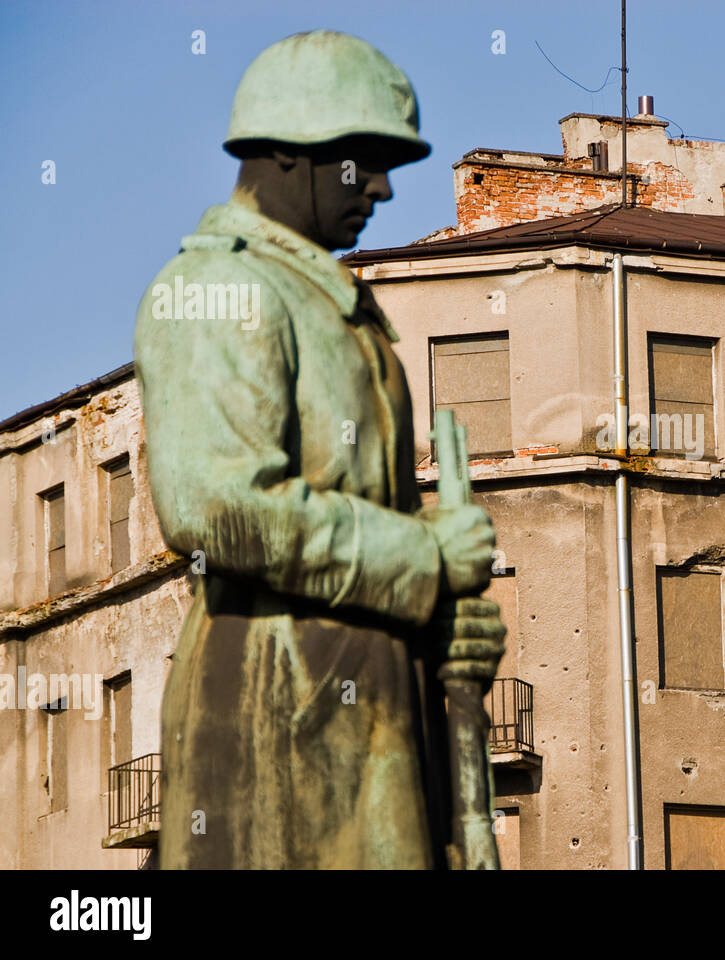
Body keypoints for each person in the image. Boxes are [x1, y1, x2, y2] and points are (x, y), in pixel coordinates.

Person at [134, 30, 504, 868]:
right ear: (286, 156)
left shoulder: (331, 306)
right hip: (273, 705)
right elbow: (212, 506)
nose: (379, 186)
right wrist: (422, 558)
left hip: (376, 711)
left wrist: (446, 627)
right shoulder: (216, 289)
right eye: (361, 160)